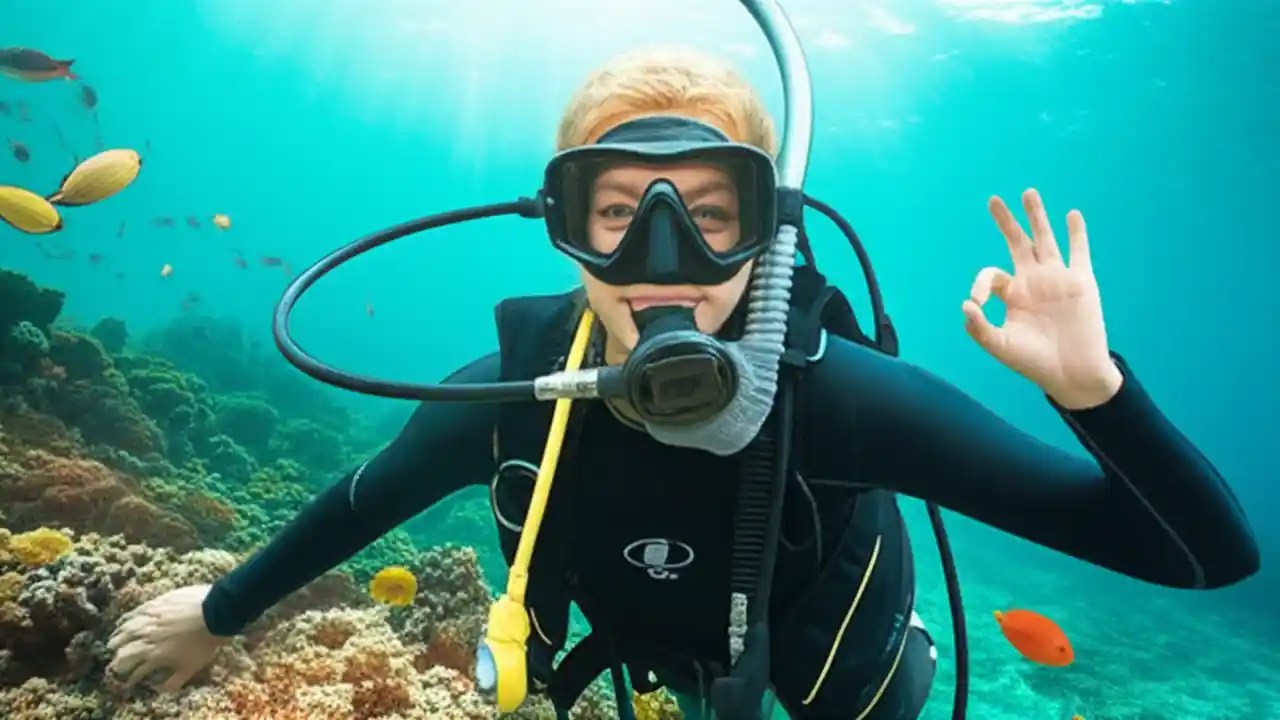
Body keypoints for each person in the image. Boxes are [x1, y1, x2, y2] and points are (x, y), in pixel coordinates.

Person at [106, 47, 1260, 720]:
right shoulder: (517, 398)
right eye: (617, 215)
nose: (662, 267)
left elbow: (1199, 559)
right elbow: (363, 500)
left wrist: (1093, 390)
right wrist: (216, 614)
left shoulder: (845, 401)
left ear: (769, 234)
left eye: (709, 217)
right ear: (561, 229)